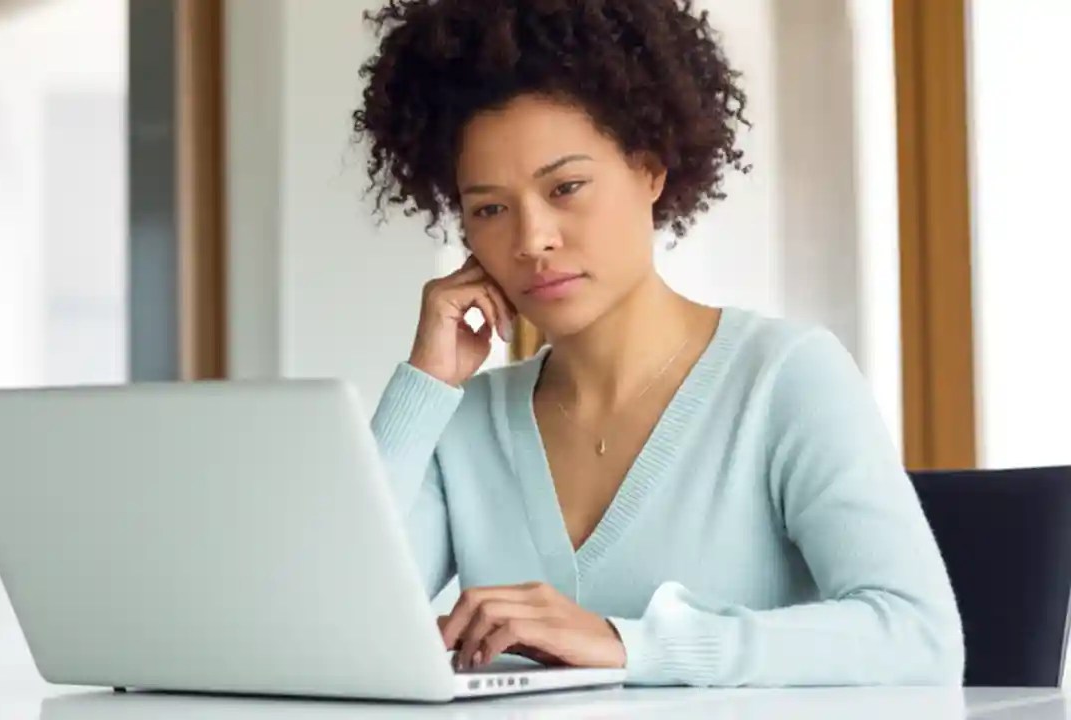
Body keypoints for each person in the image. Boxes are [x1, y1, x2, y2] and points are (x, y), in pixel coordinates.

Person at [353, 0, 963, 686]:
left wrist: (628, 643)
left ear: (650, 170)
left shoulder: (783, 378)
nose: (531, 241)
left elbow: (919, 635)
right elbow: (336, 625)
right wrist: (424, 384)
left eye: (567, 187)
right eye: (490, 208)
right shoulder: (462, 422)